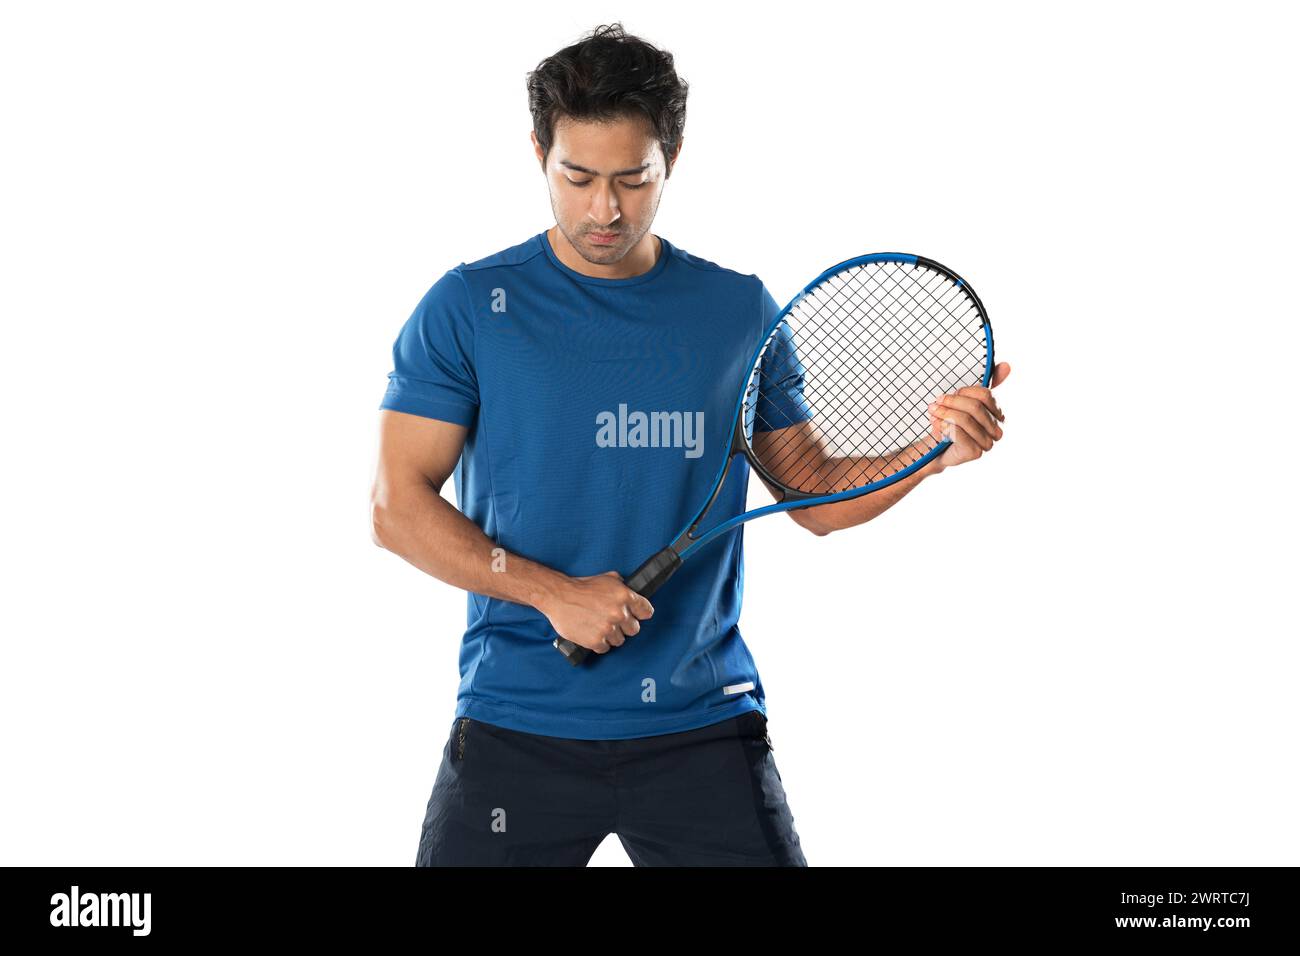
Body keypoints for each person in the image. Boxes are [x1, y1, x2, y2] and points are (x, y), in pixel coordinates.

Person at [370, 23, 1009, 866]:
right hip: (515, 723)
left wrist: (927, 455)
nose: (605, 209)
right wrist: (553, 593)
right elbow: (396, 507)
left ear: (673, 158)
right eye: (579, 177)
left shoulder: (736, 311)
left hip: (701, 728)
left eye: (633, 180)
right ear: (537, 154)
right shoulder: (468, 307)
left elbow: (809, 491)